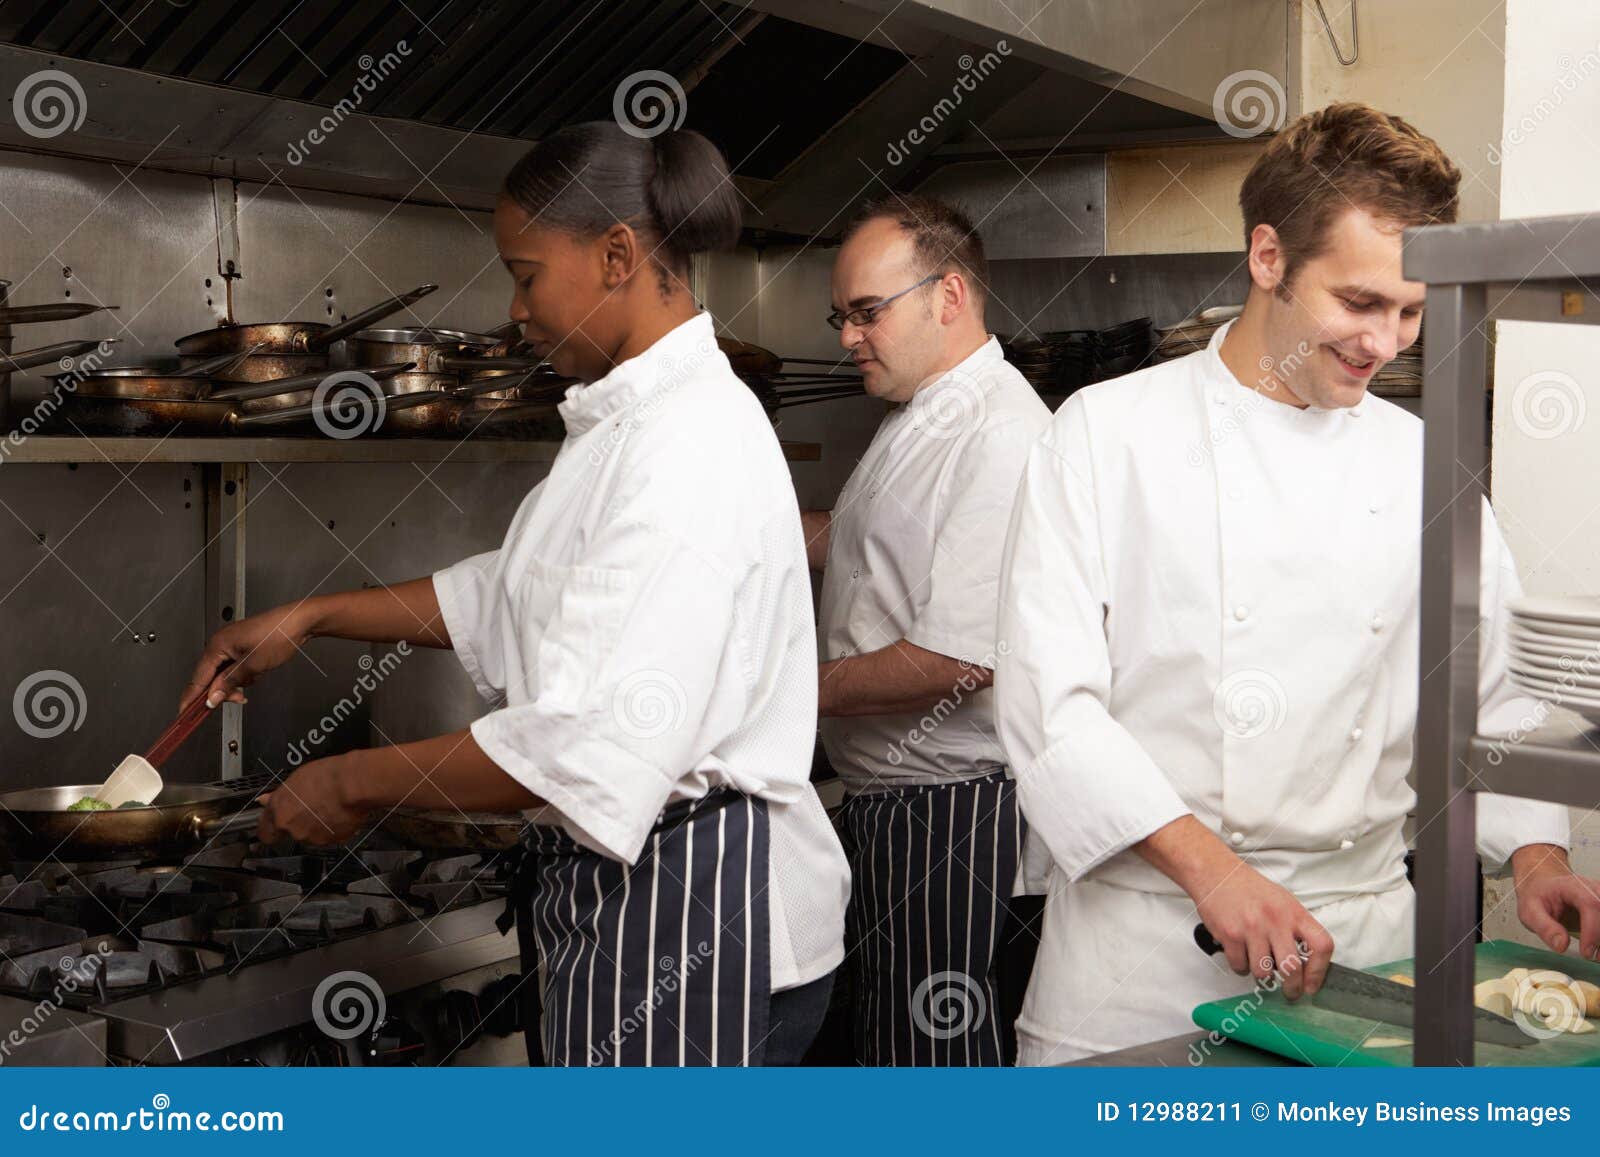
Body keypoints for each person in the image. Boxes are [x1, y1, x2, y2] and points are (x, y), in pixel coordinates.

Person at [182, 121, 849, 1067]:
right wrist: (314, 615)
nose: (515, 307)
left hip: (703, 931)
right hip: (643, 909)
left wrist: (350, 779)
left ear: (617, 254)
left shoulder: (687, 445)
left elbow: (588, 740)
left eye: (527, 273)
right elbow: (515, 593)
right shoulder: (631, 421)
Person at [994, 102, 1600, 1064]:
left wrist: (1536, 855)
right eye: (1360, 303)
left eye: (1412, 311)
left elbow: (1493, 687)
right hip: (1140, 952)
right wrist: (1216, 873)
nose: (1388, 341)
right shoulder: (1104, 436)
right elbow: (1049, 709)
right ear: (1268, 256)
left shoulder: (1423, 460)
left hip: (1368, 947)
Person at [802, 194, 1050, 1064]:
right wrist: (743, 525)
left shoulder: (1002, 433)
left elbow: (957, 658)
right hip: (892, 809)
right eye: (842, 316)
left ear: (948, 295)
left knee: (934, 1067)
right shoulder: (921, 412)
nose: (846, 337)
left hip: (953, 817)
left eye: (867, 313)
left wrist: (781, 693)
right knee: (894, 1053)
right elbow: (868, 544)